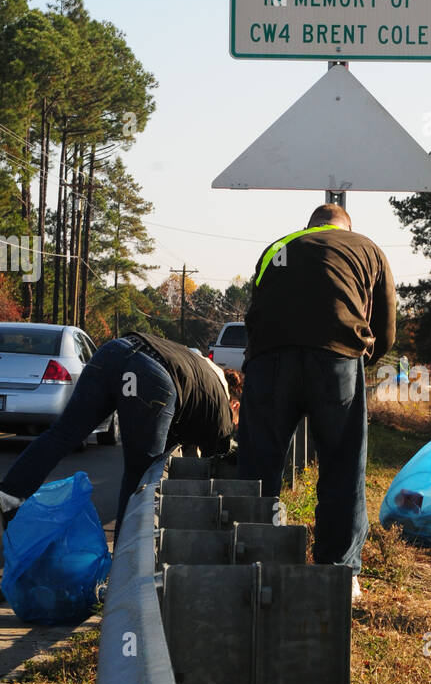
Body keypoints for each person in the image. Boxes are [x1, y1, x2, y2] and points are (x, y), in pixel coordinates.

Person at [237, 202, 396, 600]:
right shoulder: (366, 247)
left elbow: (254, 310)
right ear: (346, 226)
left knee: (259, 462)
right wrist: (365, 359)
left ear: (310, 226)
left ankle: (254, 561)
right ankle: (339, 571)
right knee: (343, 462)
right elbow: (386, 325)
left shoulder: (277, 247)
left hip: (270, 357)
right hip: (337, 357)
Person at [0, 333, 239, 540]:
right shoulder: (222, 407)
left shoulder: (203, 370)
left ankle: (7, 497)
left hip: (114, 351)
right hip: (151, 374)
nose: (236, 424)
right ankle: (126, 558)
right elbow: (213, 467)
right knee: (140, 472)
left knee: (62, 434)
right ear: (235, 404)